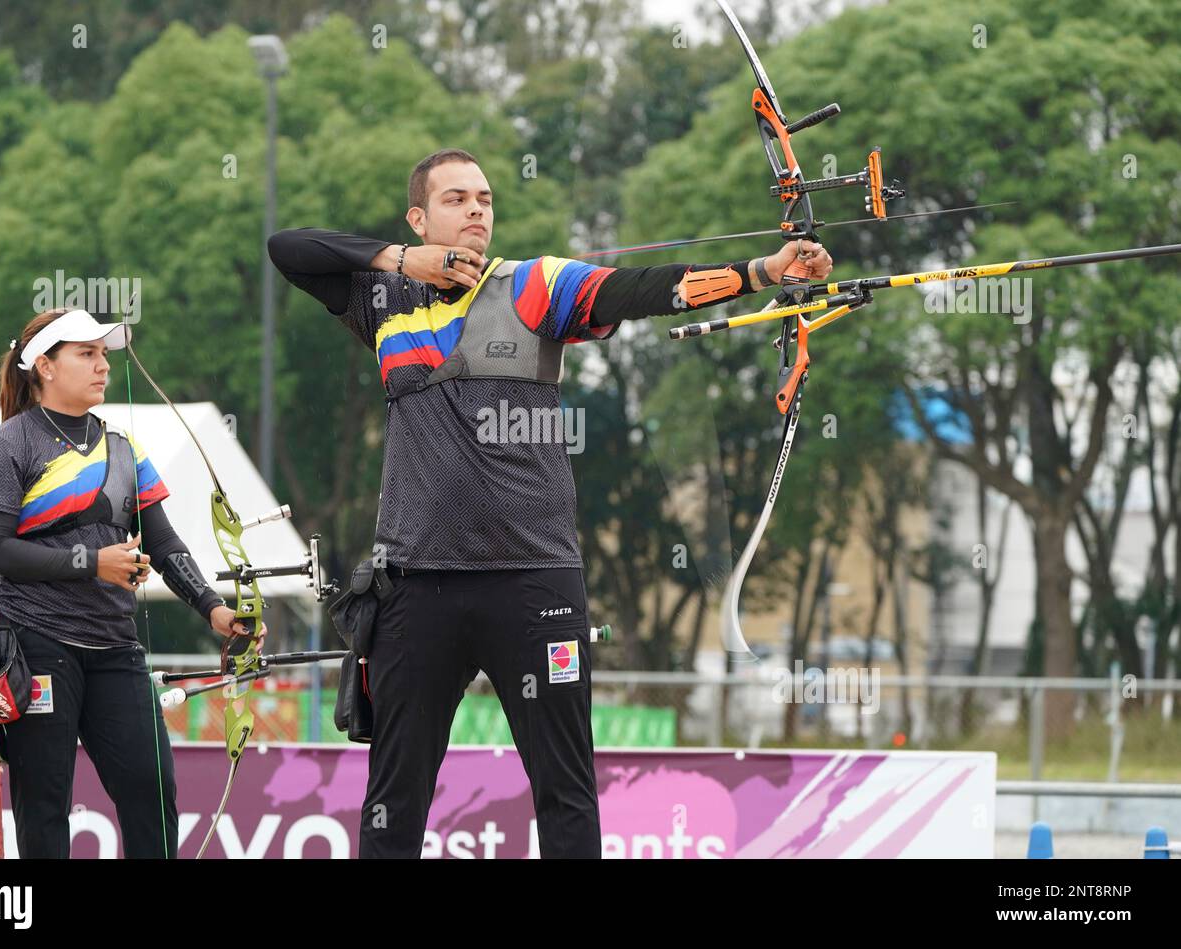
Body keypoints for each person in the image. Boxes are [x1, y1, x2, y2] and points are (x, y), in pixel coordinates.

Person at [268, 148, 833, 858]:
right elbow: (287, 249)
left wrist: (760, 273)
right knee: (395, 793)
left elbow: (642, 288)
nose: (477, 209)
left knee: (564, 789)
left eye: (486, 197)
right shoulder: (381, 299)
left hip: (534, 581)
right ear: (419, 217)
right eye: (456, 198)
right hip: (416, 585)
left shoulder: (534, 284)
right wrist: (401, 261)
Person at [0, 307, 260, 858]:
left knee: (152, 791)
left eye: (104, 354)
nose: (103, 366)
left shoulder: (124, 448)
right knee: (46, 804)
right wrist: (91, 562)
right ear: (45, 367)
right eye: (87, 354)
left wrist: (216, 611)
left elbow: (167, 544)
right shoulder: (4, 446)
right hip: (34, 644)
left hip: (113, 648)